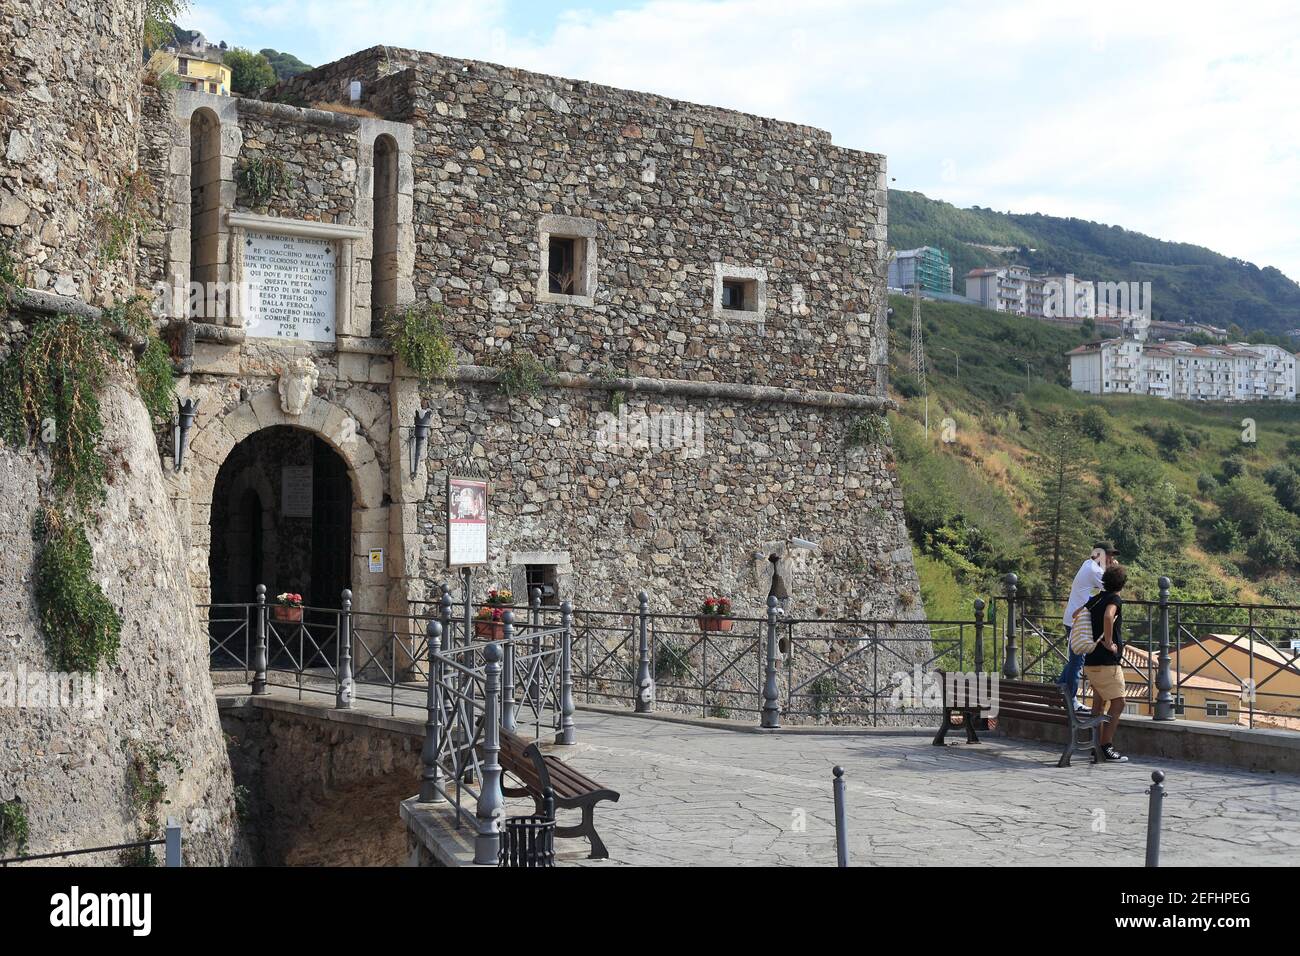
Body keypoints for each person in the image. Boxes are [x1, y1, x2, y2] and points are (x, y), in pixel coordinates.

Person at [1057, 542, 1119, 712]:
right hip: (1078, 621)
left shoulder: (1087, 564)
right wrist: (1115, 570)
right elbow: (1114, 590)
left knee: (1074, 661)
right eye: (1109, 555)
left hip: (1074, 618)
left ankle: (1057, 692)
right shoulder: (1094, 571)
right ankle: (1070, 700)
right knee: (1077, 662)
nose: (1111, 559)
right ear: (1099, 555)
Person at [1084, 564, 1129, 763]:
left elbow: (1077, 615)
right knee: (1119, 703)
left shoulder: (1094, 600)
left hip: (1091, 659)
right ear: (1122, 584)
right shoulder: (1114, 599)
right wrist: (1109, 643)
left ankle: (1096, 746)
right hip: (1107, 662)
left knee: (1099, 703)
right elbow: (1109, 616)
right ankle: (1106, 746)